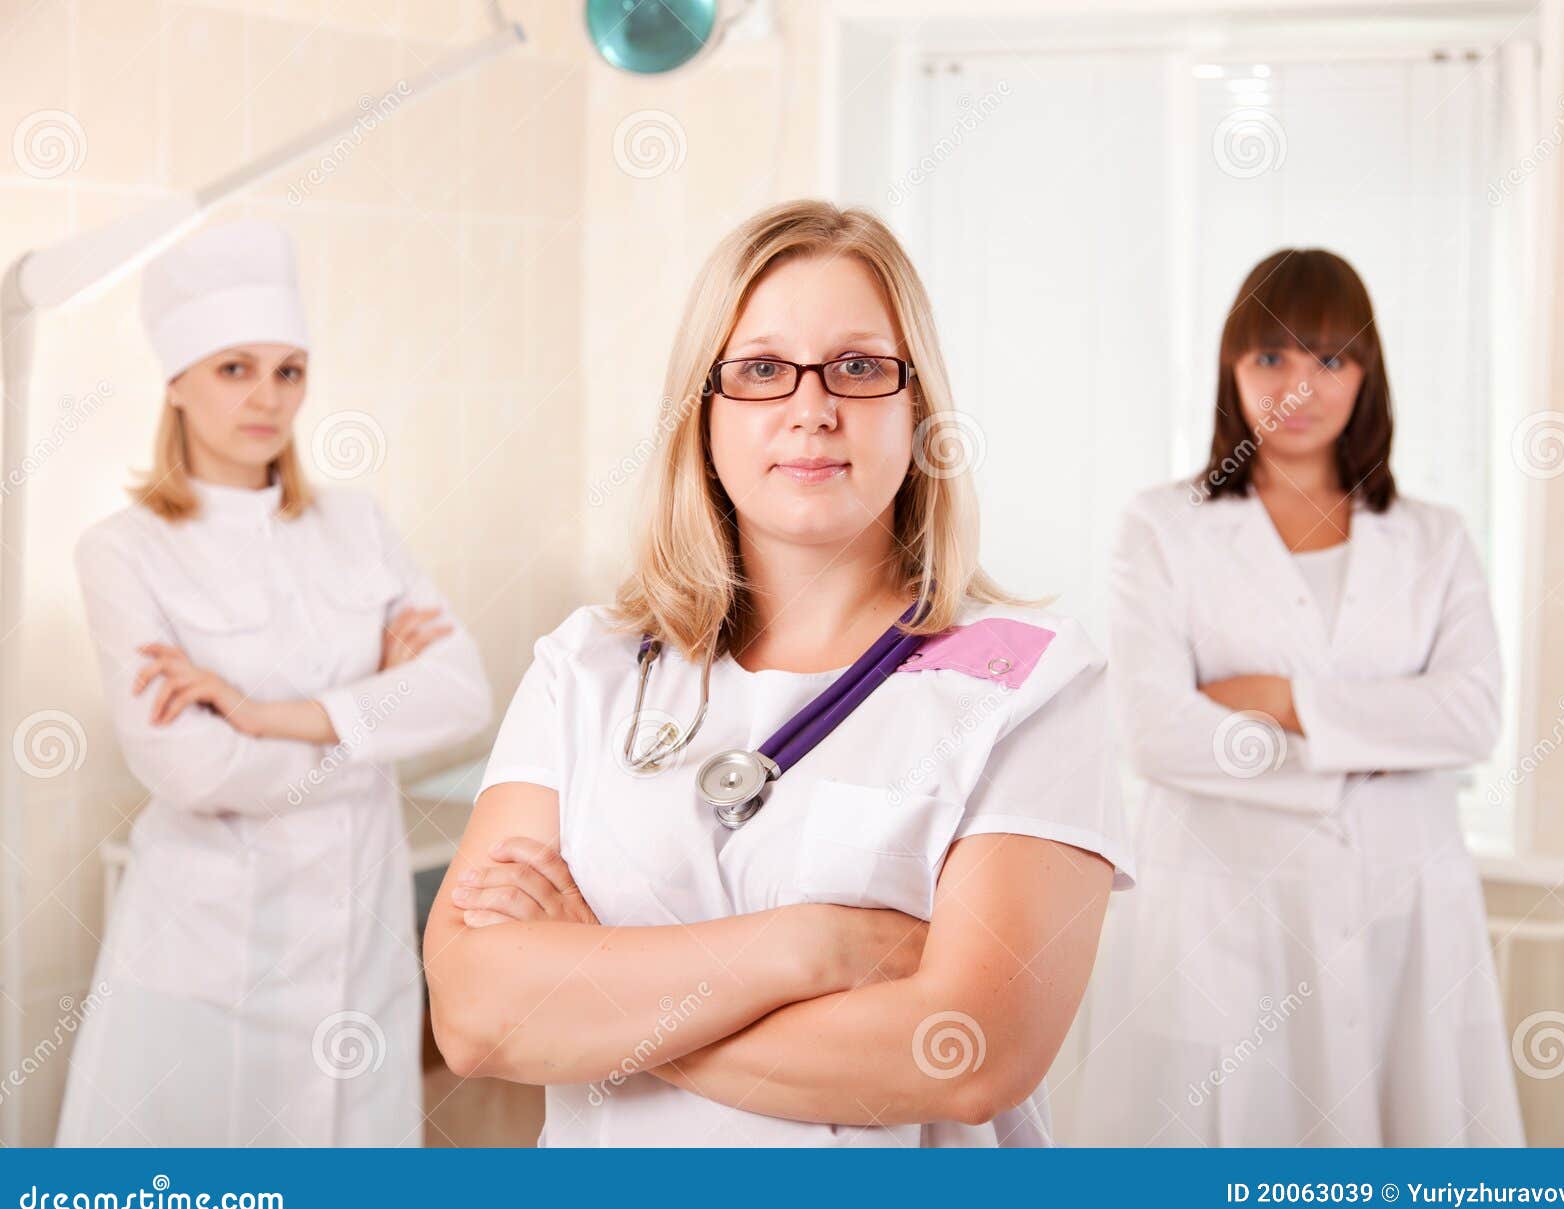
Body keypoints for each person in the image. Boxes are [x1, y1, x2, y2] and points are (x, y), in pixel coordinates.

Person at [423, 199, 1134, 1147]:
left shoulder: (1032, 680)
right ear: (702, 411)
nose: (812, 408)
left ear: (917, 406)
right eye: (761, 369)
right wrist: (810, 948)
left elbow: (969, 1057)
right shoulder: (588, 667)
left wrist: (593, 995)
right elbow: (473, 1019)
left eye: (859, 367)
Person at [1067, 248, 1523, 1146]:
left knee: (1407, 1140)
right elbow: (1157, 733)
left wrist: (1275, 697)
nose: (1298, 385)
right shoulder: (1162, 526)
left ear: (1367, 373)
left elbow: (1472, 716)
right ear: (1230, 372)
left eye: (1329, 357)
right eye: (1269, 357)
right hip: (1220, 903)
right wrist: (1380, 738)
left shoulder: (1434, 537)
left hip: (1403, 899)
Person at [57, 219, 493, 1147]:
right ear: (176, 382)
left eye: (289, 369)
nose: (268, 397)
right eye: (235, 368)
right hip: (210, 958)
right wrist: (373, 709)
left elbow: (462, 692)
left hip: (355, 948)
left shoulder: (357, 523)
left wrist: (264, 714)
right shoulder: (122, 553)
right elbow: (195, 772)